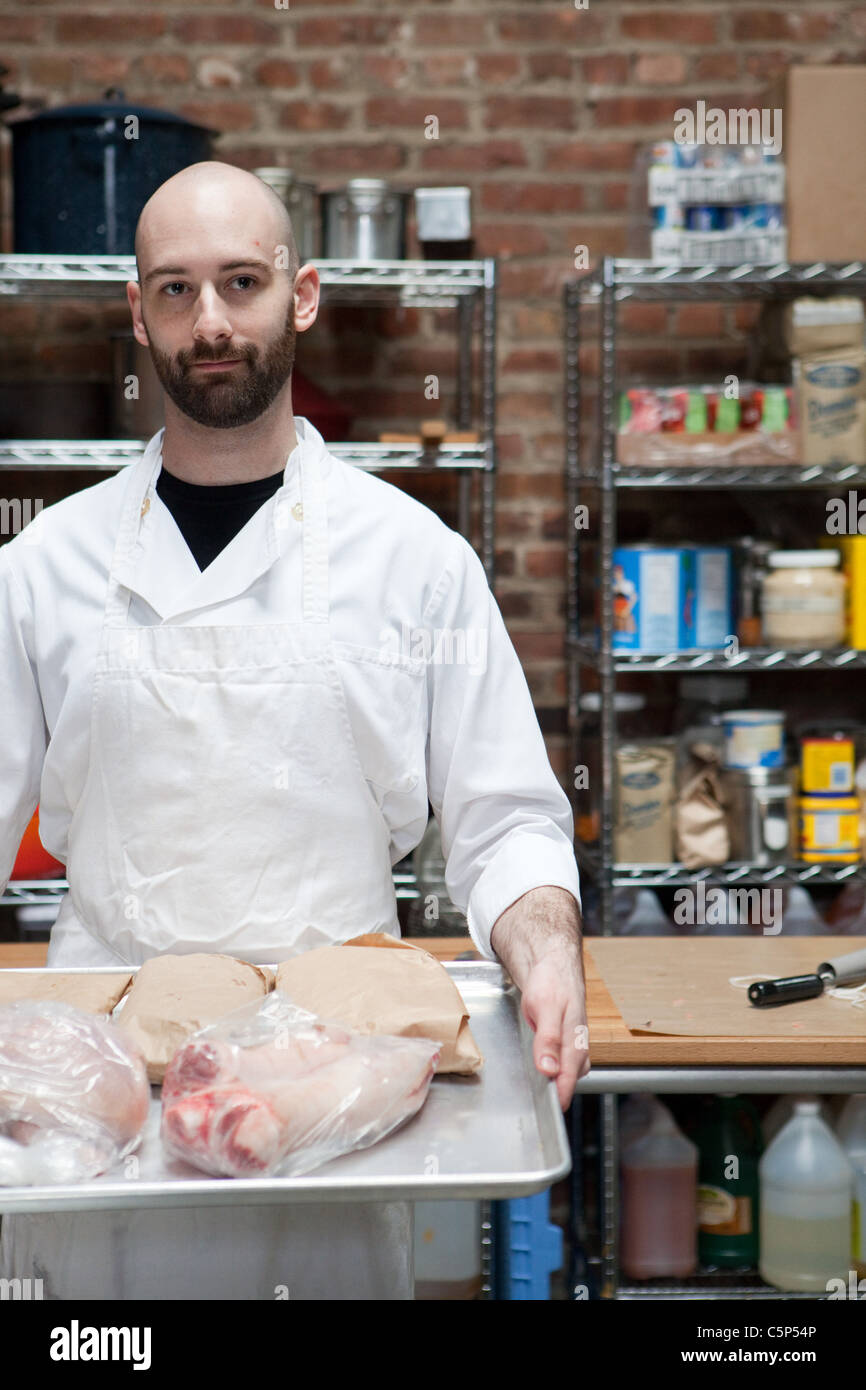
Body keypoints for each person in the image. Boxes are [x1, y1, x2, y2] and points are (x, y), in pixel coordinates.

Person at [0, 161, 589, 1299]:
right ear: (137, 312)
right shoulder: (42, 569)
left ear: (302, 295)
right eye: (174, 291)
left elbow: (505, 818)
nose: (209, 321)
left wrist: (547, 947)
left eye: (240, 282)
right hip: (107, 1086)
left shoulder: (415, 560)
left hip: (331, 1076)